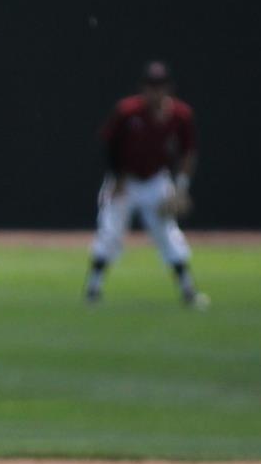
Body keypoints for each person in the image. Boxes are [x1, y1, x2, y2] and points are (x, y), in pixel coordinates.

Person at [84, 61, 206, 308]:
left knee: (168, 235)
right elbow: (109, 145)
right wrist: (117, 178)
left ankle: (188, 290)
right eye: (151, 86)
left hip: (155, 180)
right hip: (125, 180)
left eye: (160, 86)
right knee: (110, 232)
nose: (156, 91)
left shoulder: (181, 115)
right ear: (143, 87)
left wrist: (181, 188)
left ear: (169, 87)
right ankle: (93, 289)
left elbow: (188, 153)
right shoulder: (127, 111)